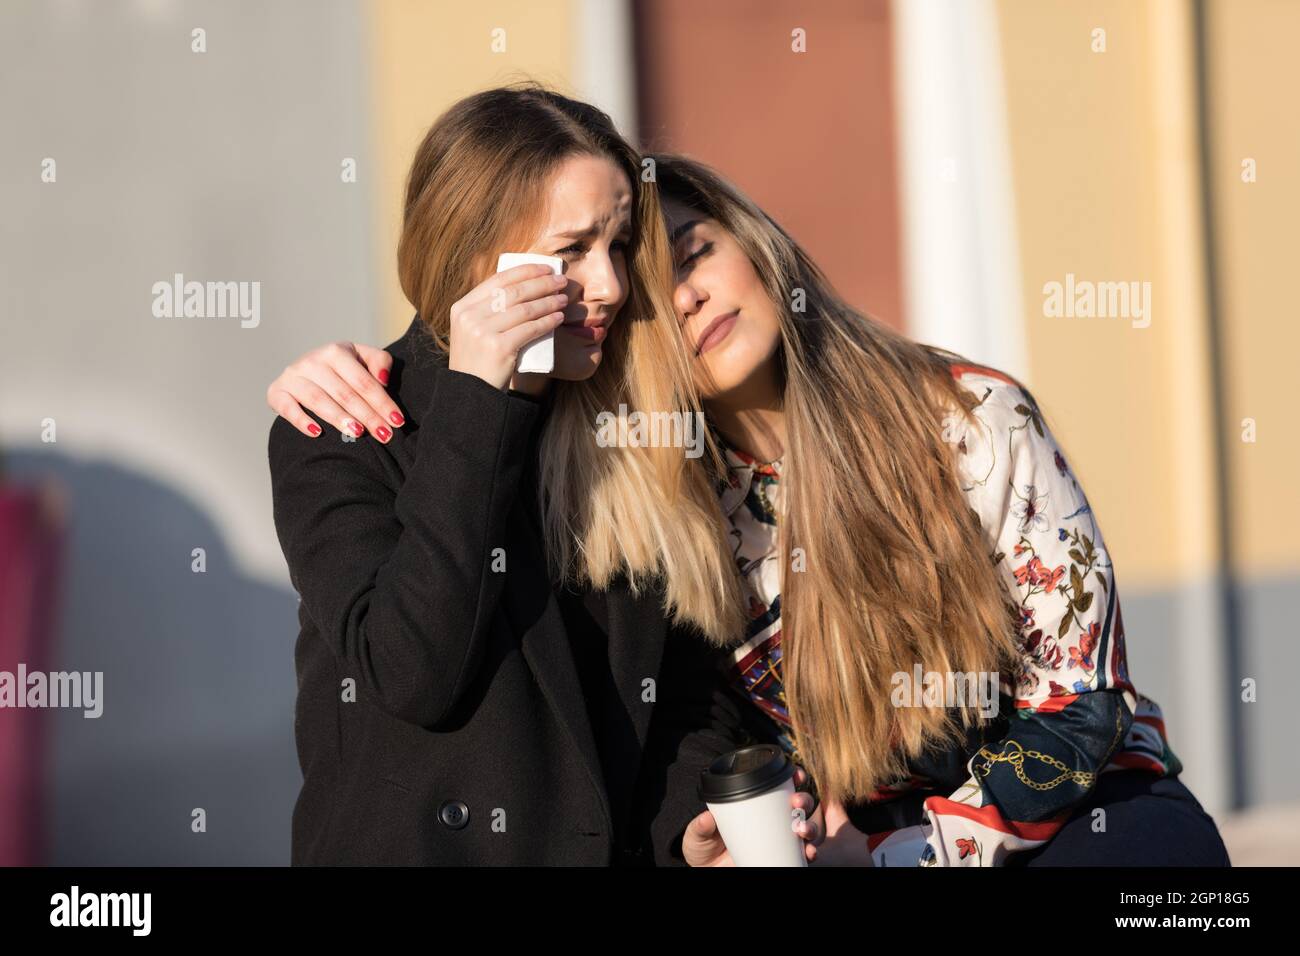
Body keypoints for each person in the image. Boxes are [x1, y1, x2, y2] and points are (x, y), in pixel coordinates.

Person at [269, 149, 1231, 867]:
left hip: (1080, 810)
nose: (684, 300)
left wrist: (912, 856)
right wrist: (360, 367)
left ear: (756, 243)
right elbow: (697, 722)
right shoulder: (649, 499)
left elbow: (1079, 701)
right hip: (849, 840)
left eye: (696, 252)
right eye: (648, 302)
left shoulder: (968, 417)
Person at [266, 85, 752, 866]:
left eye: (620, 244)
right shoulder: (345, 426)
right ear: (471, 259)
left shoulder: (631, 427)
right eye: (570, 252)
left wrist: (687, 826)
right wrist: (480, 402)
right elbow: (414, 670)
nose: (611, 286)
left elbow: (684, 690)